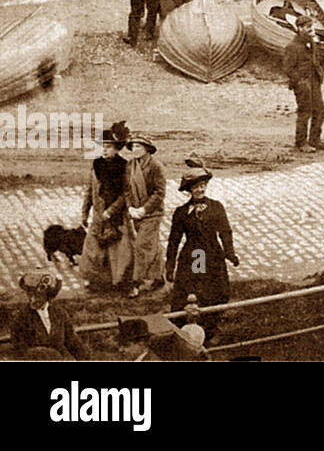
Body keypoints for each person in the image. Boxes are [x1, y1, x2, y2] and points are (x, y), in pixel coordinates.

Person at [165, 165, 238, 341]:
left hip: (213, 255)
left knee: (219, 291)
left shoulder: (216, 207)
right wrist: (170, 265)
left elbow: (225, 232)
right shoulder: (182, 212)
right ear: (189, 189)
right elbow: (174, 240)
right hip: (195, 255)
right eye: (196, 186)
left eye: (203, 185)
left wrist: (230, 253)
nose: (200, 189)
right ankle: (190, 331)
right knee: (195, 290)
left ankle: (211, 326)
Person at [80, 122, 135, 292]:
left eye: (109, 147)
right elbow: (90, 189)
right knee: (94, 250)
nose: (104, 150)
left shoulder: (124, 167)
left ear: (117, 148)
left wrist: (111, 212)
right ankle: (96, 281)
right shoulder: (97, 165)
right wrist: (84, 212)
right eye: (102, 146)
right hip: (98, 215)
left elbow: (126, 194)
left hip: (117, 217)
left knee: (120, 252)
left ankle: (122, 283)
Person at [124, 134, 167, 297]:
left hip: (152, 213)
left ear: (147, 149)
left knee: (141, 245)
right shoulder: (130, 166)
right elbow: (127, 189)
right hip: (135, 213)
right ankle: (159, 277)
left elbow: (159, 192)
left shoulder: (156, 166)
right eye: (133, 146)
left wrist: (145, 209)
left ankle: (136, 282)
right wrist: (131, 208)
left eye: (139, 146)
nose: (135, 149)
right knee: (153, 245)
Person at [11, 271, 86, 359]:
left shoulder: (59, 313)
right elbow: (20, 349)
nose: (32, 300)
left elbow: (72, 342)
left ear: (48, 296)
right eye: (29, 295)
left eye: (37, 296)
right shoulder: (21, 317)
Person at [283, 15, 324, 151]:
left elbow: (315, 59)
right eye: (308, 27)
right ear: (300, 28)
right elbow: (288, 69)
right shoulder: (292, 46)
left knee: (319, 110)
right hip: (302, 83)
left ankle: (315, 140)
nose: (311, 30)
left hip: (314, 80)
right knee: (305, 112)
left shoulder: (311, 42)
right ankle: (301, 143)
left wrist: (319, 73)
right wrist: (300, 82)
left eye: (312, 27)